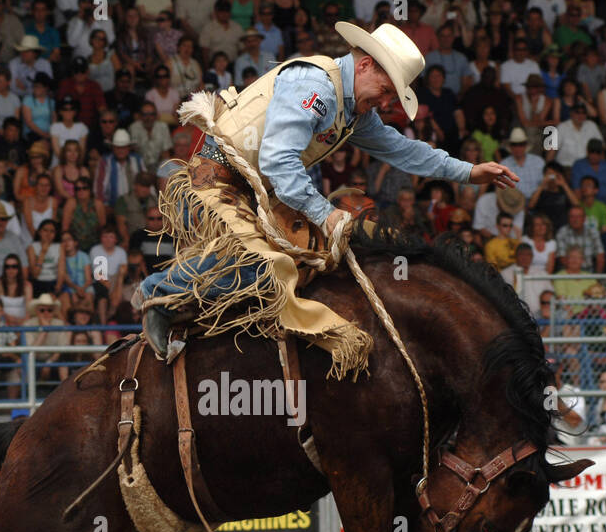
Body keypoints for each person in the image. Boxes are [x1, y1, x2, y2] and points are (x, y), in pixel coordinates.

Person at [138, 22, 518, 367]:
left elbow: (403, 149)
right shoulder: (316, 87)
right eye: (387, 91)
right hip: (211, 186)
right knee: (270, 269)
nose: (387, 104)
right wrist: (325, 212)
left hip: (249, 198)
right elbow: (278, 159)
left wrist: (468, 172)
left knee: (312, 267)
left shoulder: (353, 110)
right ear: (366, 65)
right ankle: (159, 295)